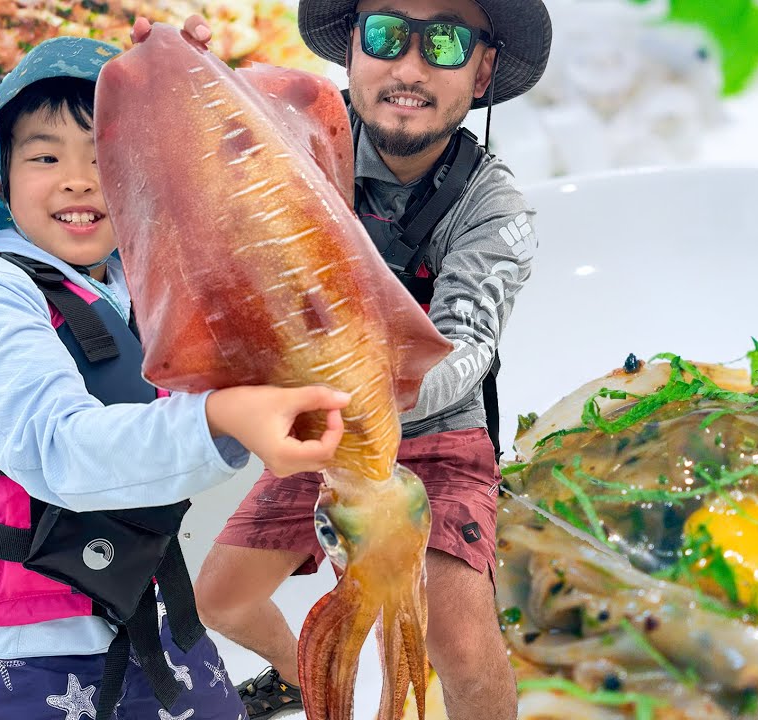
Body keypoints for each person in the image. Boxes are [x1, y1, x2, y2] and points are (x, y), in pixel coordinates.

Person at [0, 31, 352, 720]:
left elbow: (232, 231)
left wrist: (187, 96)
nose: (78, 178)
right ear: (0, 178)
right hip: (37, 638)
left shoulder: (133, 274)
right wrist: (220, 421)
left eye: (107, 158)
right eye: (45, 156)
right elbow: (57, 449)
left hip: (145, 592)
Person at [192, 0, 552, 717]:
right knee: (219, 599)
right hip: (326, 436)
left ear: (482, 71)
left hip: (435, 441)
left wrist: (366, 395)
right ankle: (295, 675)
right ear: (352, 50)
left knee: (464, 655)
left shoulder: (494, 209)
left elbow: (468, 344)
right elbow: (208, 168)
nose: (409, 66)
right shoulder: (295, 150)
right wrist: (190, 77)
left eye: (444, 42)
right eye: (387, 35)